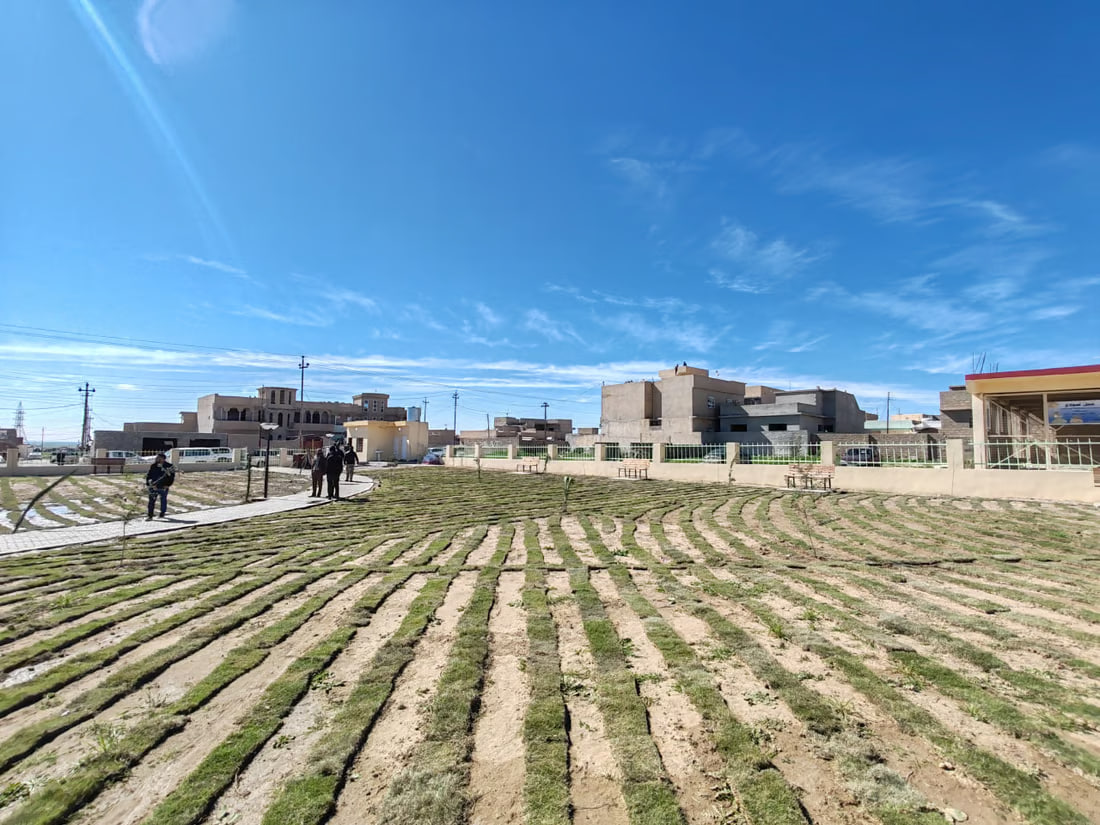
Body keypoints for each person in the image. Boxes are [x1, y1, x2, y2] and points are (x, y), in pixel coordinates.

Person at [145, 453, 176, 520]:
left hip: (163, 486)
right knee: (151, 501)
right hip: (153, 486)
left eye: (158, 458)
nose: (156, 459)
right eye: (156, 458)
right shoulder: (153, 466)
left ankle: (162, 513)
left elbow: (172, 477)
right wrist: (148, 483)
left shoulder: (169, 466)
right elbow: (149, 475)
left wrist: (167, 485)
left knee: (163, 500)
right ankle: (150, 515)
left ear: (163, 459)